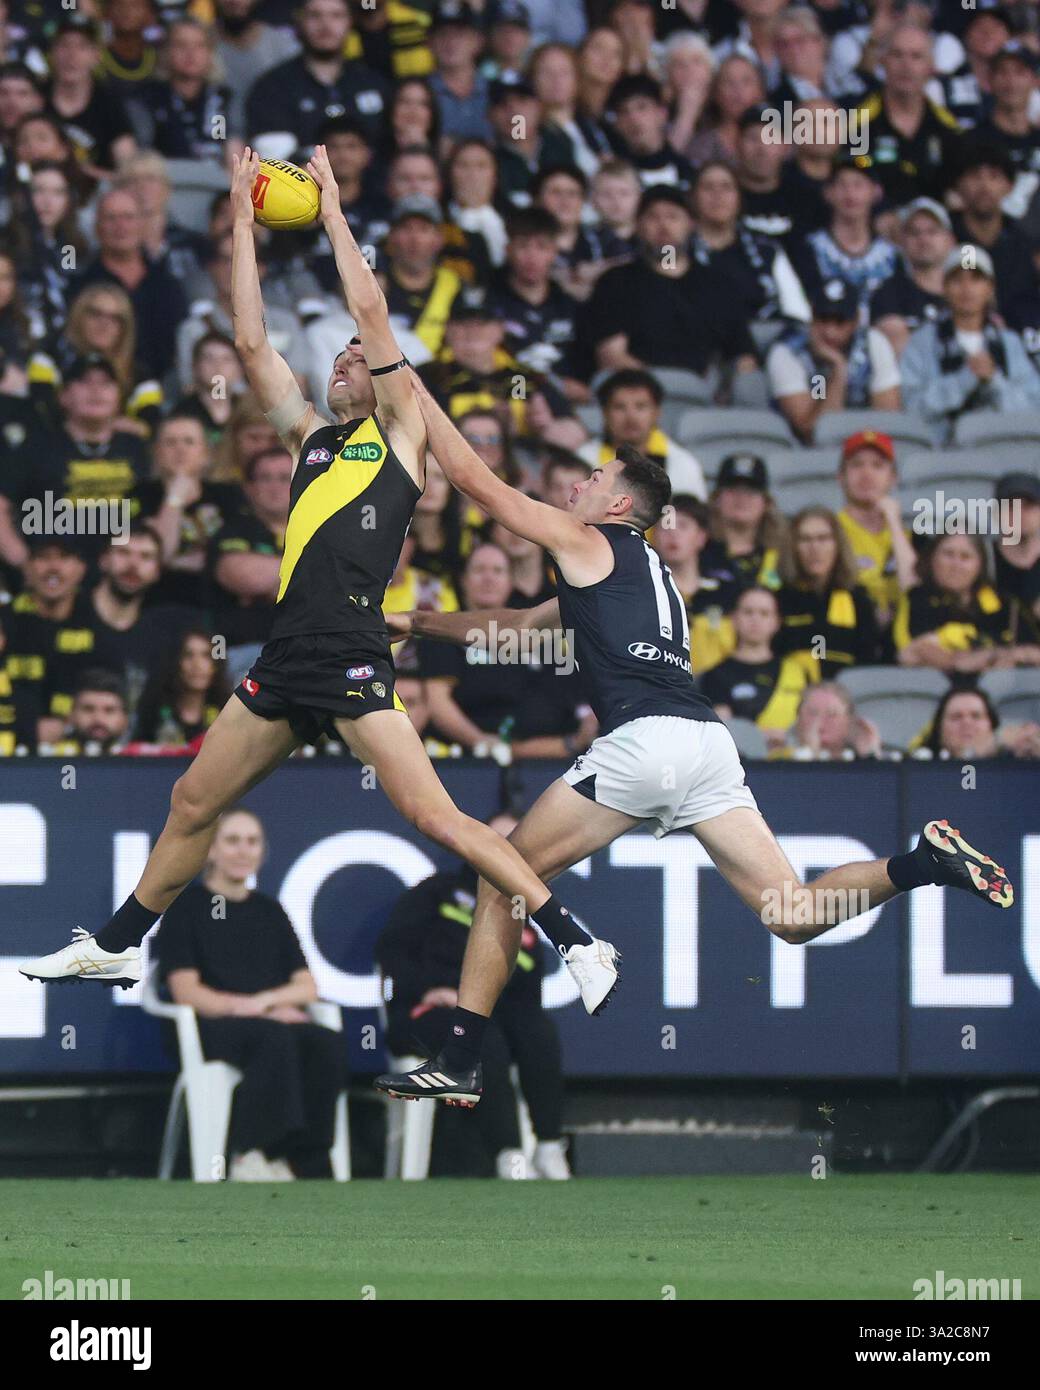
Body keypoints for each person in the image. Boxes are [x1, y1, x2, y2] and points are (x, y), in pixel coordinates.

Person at [21, 145, 592, 1000]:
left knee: (436, 817)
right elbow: (250, 341)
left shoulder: (399, 434)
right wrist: (242, 217)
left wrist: (329, 210)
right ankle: (117, 943)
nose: (343, 363)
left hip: (352, 648)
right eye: (339, 359)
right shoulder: (312, 442)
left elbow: (368, 303)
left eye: (358, 358)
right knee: (189, 802)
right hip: (286, 654)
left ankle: (575, 940)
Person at [373, 374, 1014, 1107]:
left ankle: (463, 1055)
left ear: (618, 504)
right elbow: (515, 630)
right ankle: (922, 863)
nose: (578, 483)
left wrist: (410, 385)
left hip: (644, 742)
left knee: (501, 874)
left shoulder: (589, 540)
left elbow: (474, 483)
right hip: (706, 746)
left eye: (594, 477)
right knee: (793, 915)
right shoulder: (644, 572)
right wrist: (417, 624)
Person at [375, 810, 571, 1180]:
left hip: (490, 1015)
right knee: (481, 1034)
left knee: (538, 1031)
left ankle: (548, 1146)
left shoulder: (522, 914)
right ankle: (509, 1154)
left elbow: (528, 995)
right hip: (427, 1012)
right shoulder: (438, 891)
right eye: (496, 841)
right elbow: (392, 952)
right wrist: (428, 989)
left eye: (513, 845)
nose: (504, 851)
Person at [154, 807, 346, 1181]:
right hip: (212, 1024)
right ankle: (252, 1152)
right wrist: (249, 1010)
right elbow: (186, 991)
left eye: (252, 842)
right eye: (232, 841)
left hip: (268, 1019)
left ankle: (302, 1161)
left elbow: (307, 986)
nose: (243, 851)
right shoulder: (185, 908)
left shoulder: (270, 912)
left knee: (325, 1043)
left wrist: (266, 1004)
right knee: (275, 1038)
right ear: (210, 849)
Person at [900, 245, 1040, 445]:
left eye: (975, 279)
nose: (966, 289)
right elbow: (911, 408)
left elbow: (1033, 408)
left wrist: (993, 380)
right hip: (941, 452)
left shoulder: (1009, 342)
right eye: (957, 280)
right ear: (944, 287)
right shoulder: (922, 342)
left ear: (990, 288)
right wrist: (963, 380)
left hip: (1003, 448)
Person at [766, 281, 902, 442]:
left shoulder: (873, 343)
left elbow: (889, 418)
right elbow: (815, 431)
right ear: (811, 315)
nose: (830, 332)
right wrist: (838, 368)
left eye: (840, 321)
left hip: (866, 443)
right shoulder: (788, 352)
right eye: (823, 319)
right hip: (805, 454)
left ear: (856, 320)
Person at [894, 532, 1038, 675]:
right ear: (932, 558)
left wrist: (996, 656)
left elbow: (1033, 652)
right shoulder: (917, 599)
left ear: (980, 564)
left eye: (965, 557)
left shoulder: (1007, 605)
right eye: (948, 554)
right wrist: (995, 656)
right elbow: (916, 651)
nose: (956, 565)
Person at [775, 506, 883, 679]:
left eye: (823, 539)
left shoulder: (859, 601)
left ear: (838, 545)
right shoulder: (778, 601)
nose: (814, 548)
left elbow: (868, 665)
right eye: (805, 539)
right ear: (793, 547)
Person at [700, 585, 809, 740]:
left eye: (764, 613)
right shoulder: (716, 675)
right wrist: (768, 736)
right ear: (734, 619)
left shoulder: (798, 671)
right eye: (748, 612)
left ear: (776, 622)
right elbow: (724, 730)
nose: (755, 619)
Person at [577, 369, 706, 499]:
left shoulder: (682, 464)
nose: (631, 417)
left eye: (640, 407)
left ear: (657, 412)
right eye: (619, 407)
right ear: (605, 413)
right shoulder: (584, 459)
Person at [835, 430, 918, 630]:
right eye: (857, 465)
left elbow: (913, 591)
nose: (867, 474)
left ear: (893, 478)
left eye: (878, 466)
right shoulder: (830, 531)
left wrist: (894, 523)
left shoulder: (909, 537)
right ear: (840, 478)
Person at [870, 197, 955, 358]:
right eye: (914, 232)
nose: (923, 240)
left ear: (950, 240)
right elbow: (905, 359)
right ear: (901, 241)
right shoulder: (888, 294)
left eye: (932, 231)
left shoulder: (965, 292)